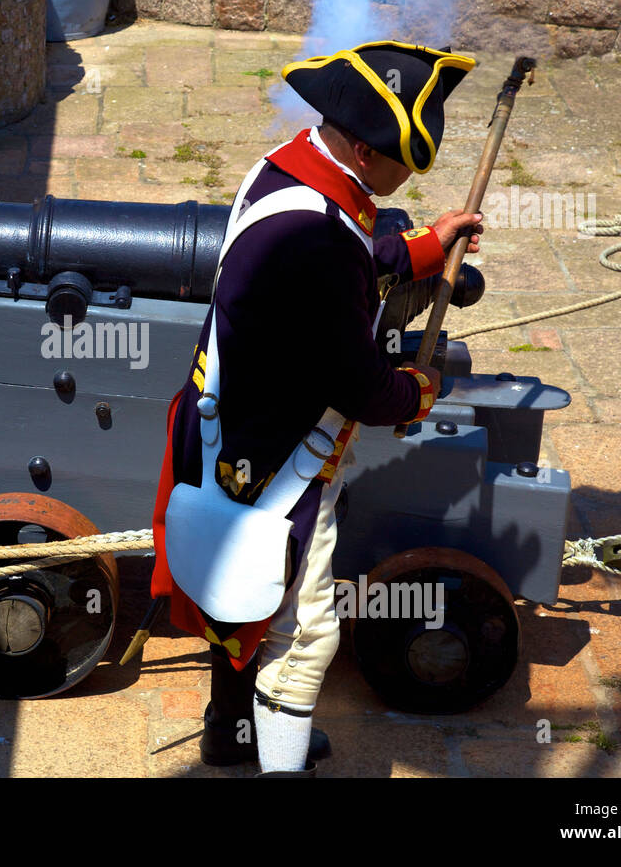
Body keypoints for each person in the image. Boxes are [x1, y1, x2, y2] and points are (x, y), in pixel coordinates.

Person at [150, 41, 484, 776]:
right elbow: (361, 387)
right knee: (303, 636)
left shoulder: (293, 169)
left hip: (224, 428)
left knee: (238, 602)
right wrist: (418, 391)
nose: (404, 178)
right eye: (401, 162)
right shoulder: (321, 233)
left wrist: (424, 247)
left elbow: (351, 254)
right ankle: (279, 760)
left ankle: (231, 733)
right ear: (364, 152)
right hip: (276, 457)